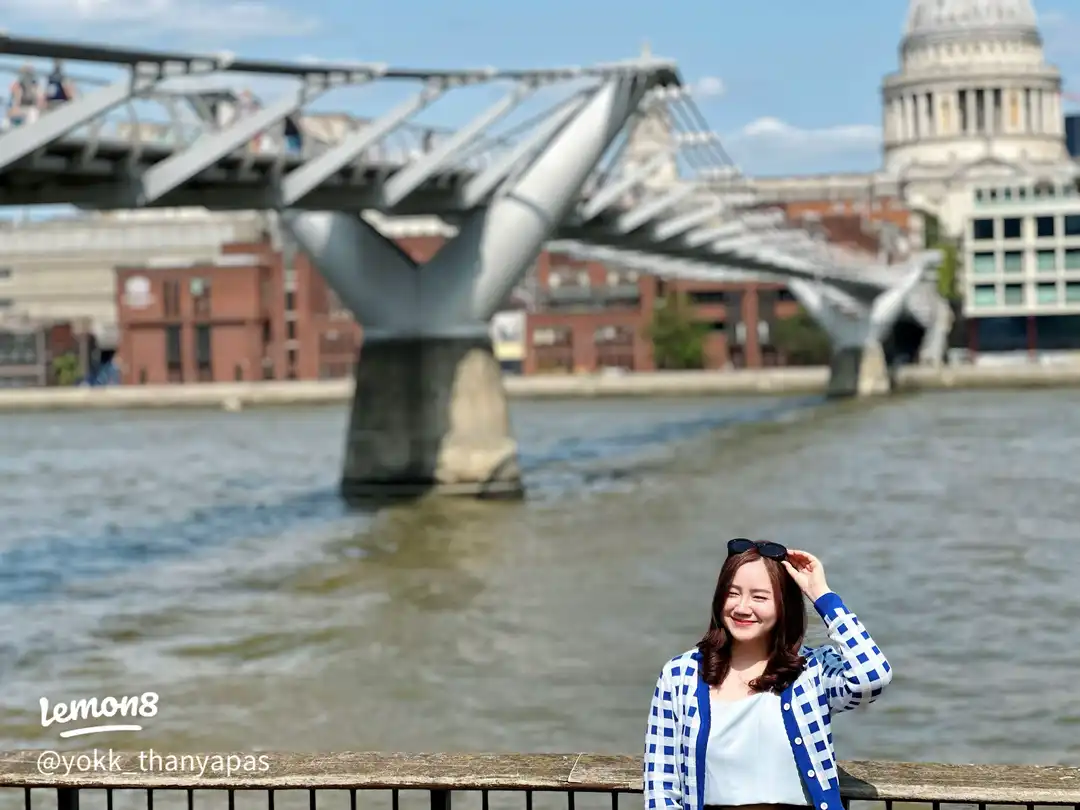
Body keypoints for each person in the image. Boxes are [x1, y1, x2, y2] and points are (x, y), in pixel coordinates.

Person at [643, 539, 893, 810]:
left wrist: (821, 595)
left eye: (759, 597)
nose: (742, 607)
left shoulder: (810, 670)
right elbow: (661, 787)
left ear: (784, 605)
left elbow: (872, 677)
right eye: (732, 593)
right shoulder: (680, 675)